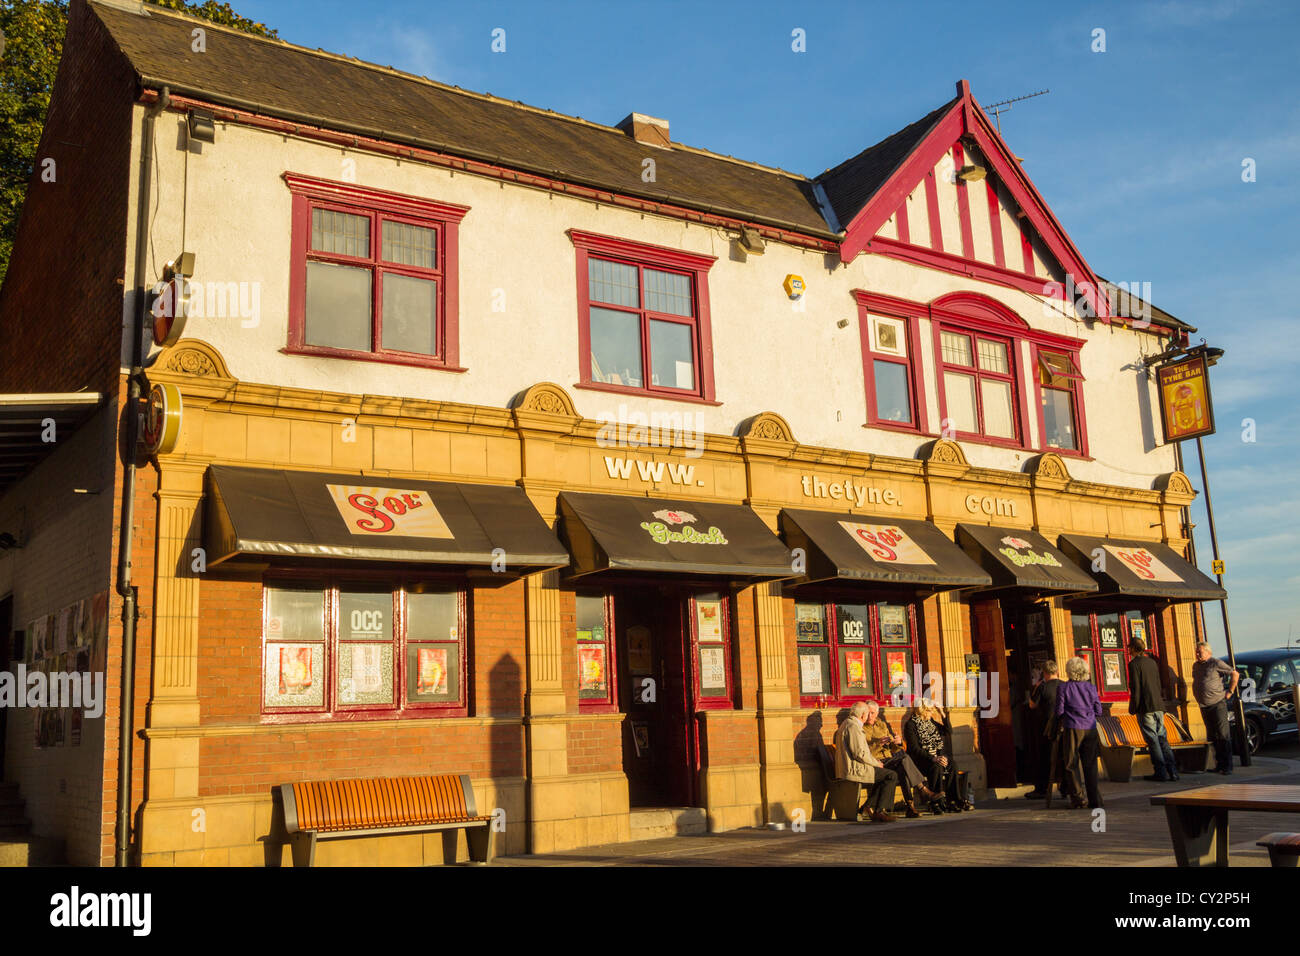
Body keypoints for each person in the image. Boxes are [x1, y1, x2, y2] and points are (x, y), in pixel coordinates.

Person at [862, 700, 938, 818]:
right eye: (867, 713)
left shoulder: (881, 724)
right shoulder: (861, 727)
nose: (869, 716)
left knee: (903, 768)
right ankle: (922, 789)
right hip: (876, 762)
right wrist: (878, 744)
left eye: (872, 713)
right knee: (904, 759)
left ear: (877, 713)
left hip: (889, 759)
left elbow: (894, 748)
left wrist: (897, 742)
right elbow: (863, 751)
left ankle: (910, 807)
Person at [833, 702, 899, 822]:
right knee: (891, 775)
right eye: (868, 713)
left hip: (853, 767)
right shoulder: (853, 727)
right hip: (854, 769)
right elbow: (860, 753)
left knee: (884, 775)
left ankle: (868, 807)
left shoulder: (849, 724)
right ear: (863, 715)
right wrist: (876, 763)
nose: (869, 717)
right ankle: (880, 811)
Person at [904, 700, 973, 813]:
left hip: (936, 758)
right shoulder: (910, 725)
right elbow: (914, 749)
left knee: (952, 765)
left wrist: (942, 713)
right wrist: (933, 758)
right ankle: (936, 802)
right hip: (920, 761)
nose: (932, 713)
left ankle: (953, 800)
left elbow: (948, 731)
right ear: (922, 711)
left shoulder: (931, 722)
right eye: (930, 710)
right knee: (936, 766)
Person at [1127, 637, 1179, 782]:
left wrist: (1133, 707)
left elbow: (1135, 688)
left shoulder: (1133, 665)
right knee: (1162, 738)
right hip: (1158, 705)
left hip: (1146, 706)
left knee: (1153, 740)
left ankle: (1160, 772)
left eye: (1129, 647)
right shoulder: (1152, 662)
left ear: (1133, 648)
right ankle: (1173, 771)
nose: (1128, 649)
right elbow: (1157, 683)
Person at [1056, 656, 1103, 810]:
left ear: (1069, 671)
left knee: (1071, 763)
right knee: (1090, 764)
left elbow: (1059, 711)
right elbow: (1099, 710)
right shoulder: (1091, 687)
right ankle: (1094, 800)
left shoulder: (1064, 687)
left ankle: (1078, 799)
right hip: (1090, 727)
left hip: (1072, 727)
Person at [1191, 641, 1239, 775]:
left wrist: (1230, 691)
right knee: (1213, 736)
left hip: (1217, 704)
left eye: (1199, 652)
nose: (1197, 654)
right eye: (1196, 652)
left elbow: (1234, 674)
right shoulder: (1196, 666)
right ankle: (1219, 764)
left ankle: (1228, 766)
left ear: (1208, 652)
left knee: (1223, 735)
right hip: (1204, 706)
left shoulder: (1215, 663)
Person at [1023, 660, 1062, 799]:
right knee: (1062, 757)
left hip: (1047, 727)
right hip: (1063, 726)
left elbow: (1032, 705)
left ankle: (1041, 788)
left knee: (1044, 758)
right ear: (1057, 671)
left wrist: (1036, 688)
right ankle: (1065, 787)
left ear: (1044, 673)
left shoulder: (1043, 687)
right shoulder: (1065, 685)